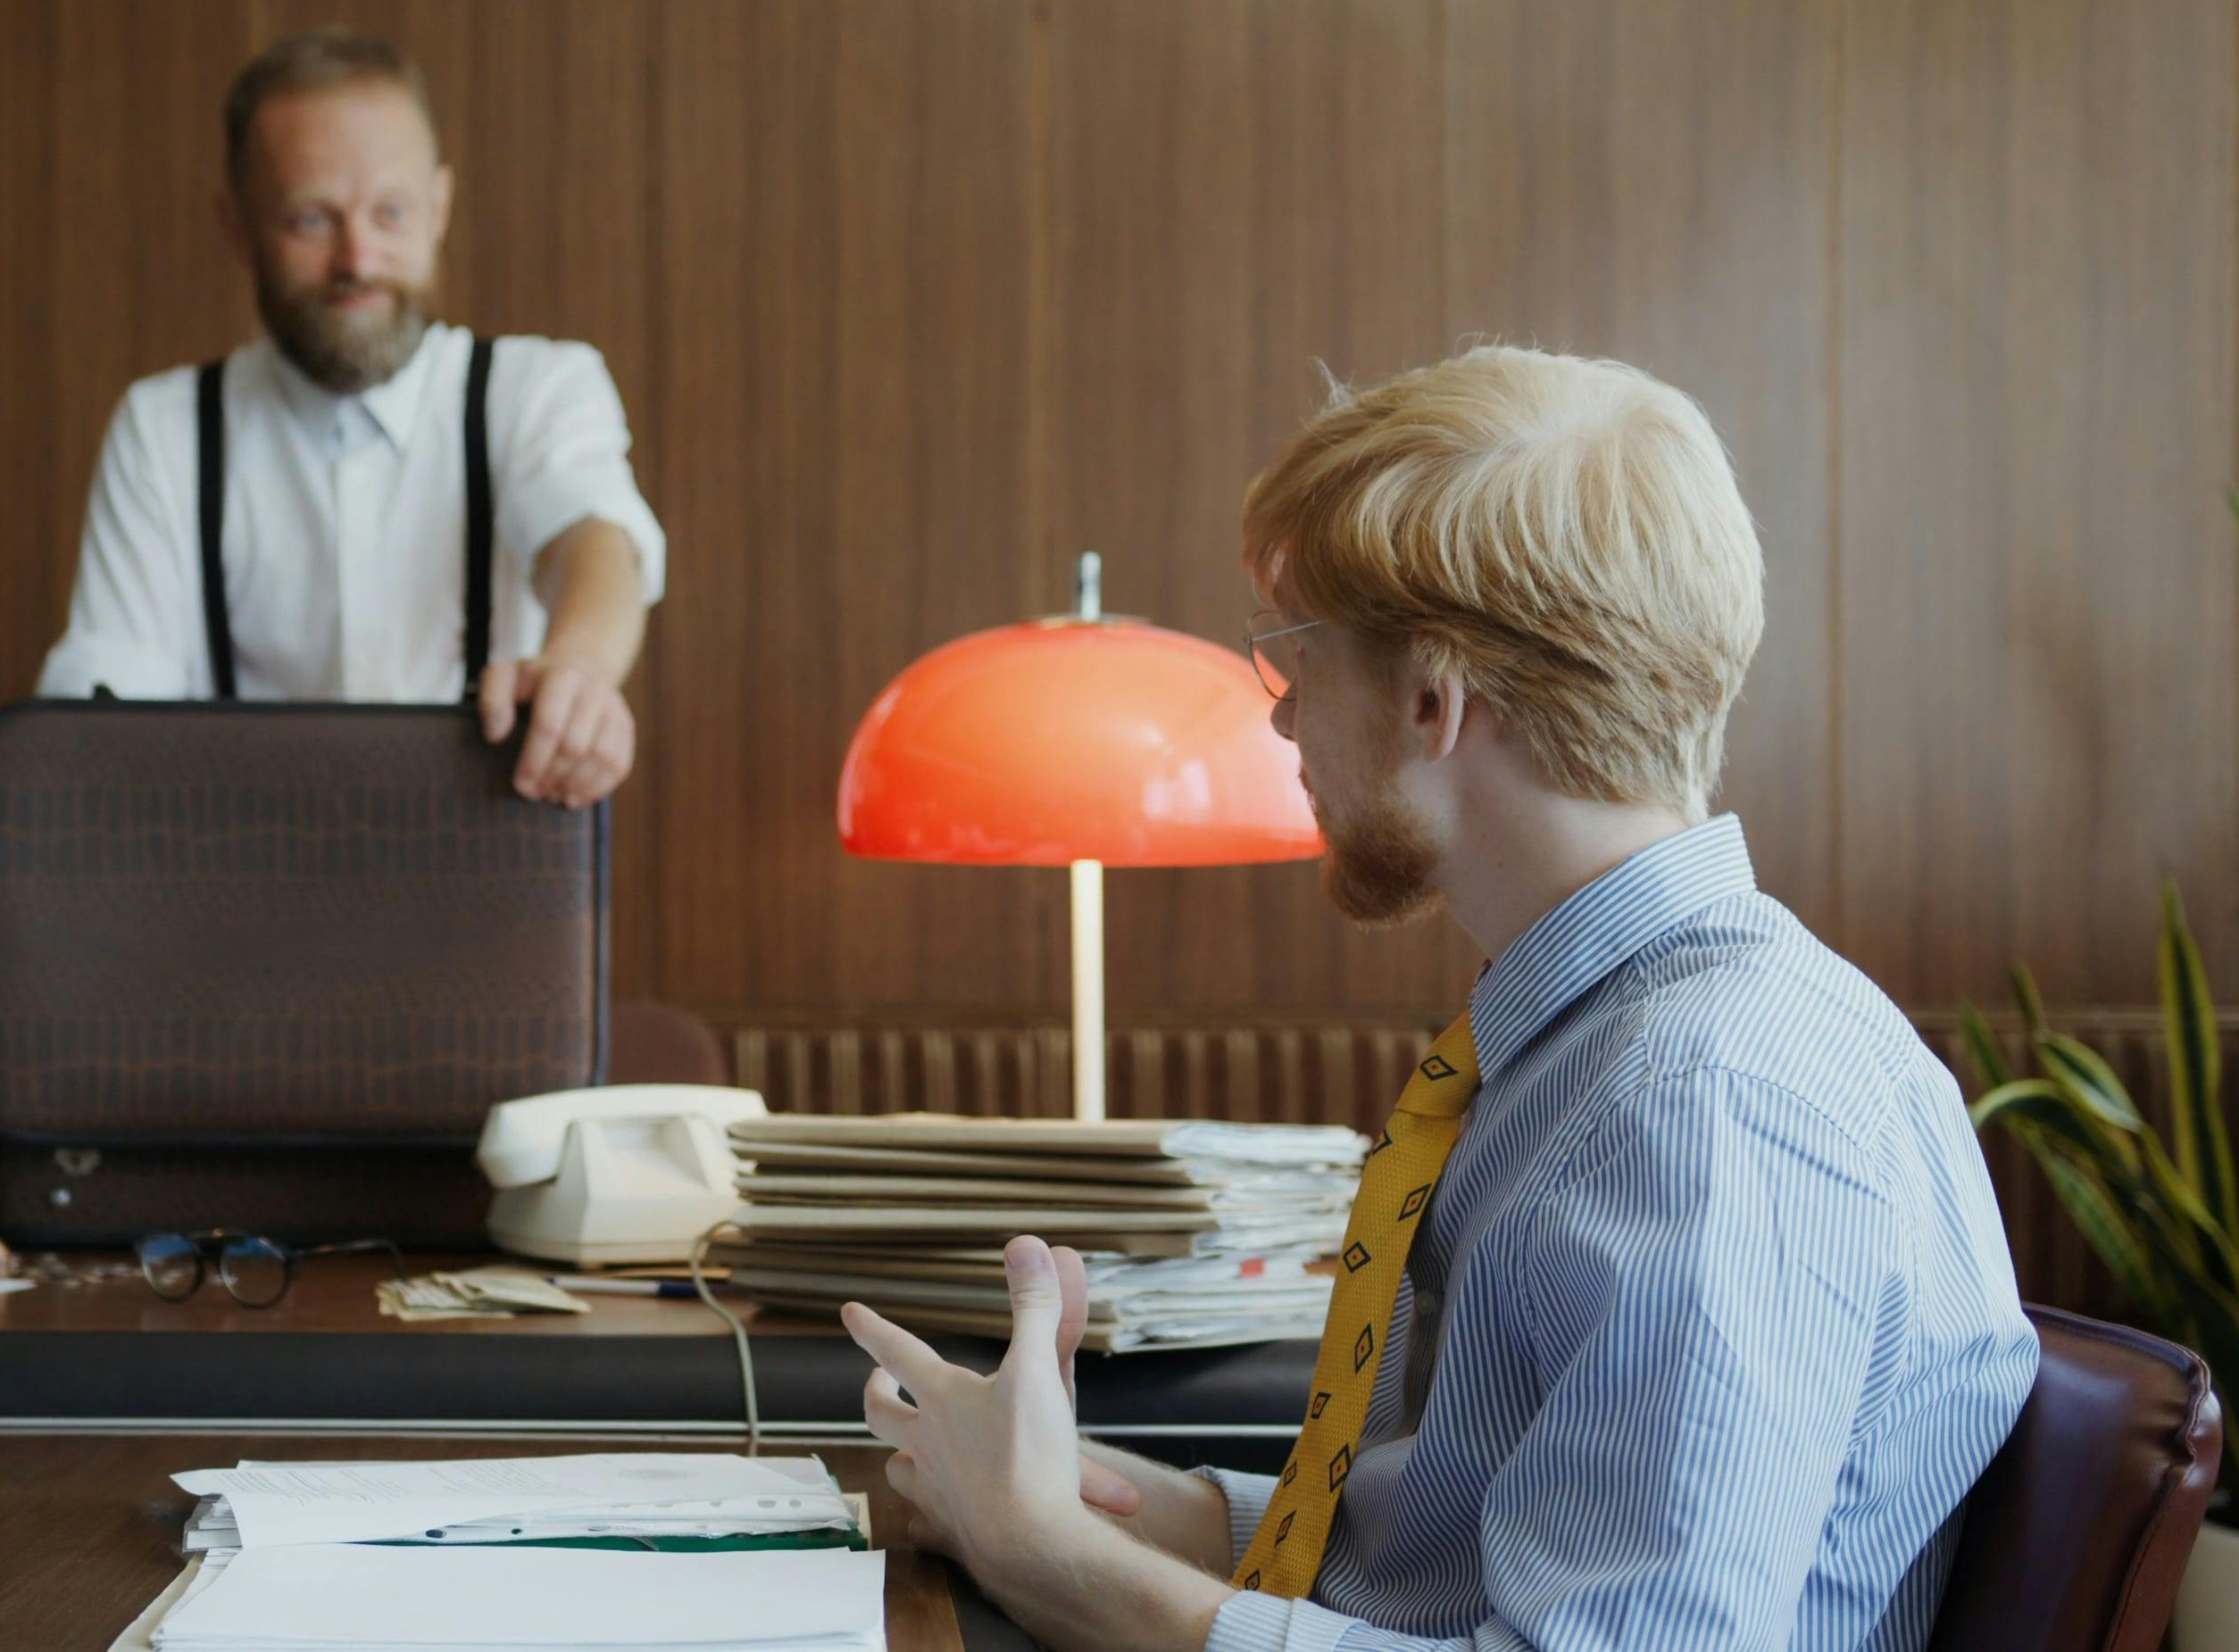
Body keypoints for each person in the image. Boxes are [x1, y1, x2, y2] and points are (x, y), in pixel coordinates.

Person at [848, 347, 2040, 1650]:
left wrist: (1056, 1561)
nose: (1285, 719)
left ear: (1432, 699)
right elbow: (1451, 1553)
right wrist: (1095, 1504)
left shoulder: (1710, 1107)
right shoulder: (1602, 1049)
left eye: (1296, 657)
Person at [34, 28, 664, 808]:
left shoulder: (537, 388)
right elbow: (104, 720)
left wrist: (577, 669)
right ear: (238, 227)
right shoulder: (163, 431)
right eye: (310, 220)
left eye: (391, 213)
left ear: (439, 209)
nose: (357, 259)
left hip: (491, 908)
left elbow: (596, 545)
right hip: (233, 909)